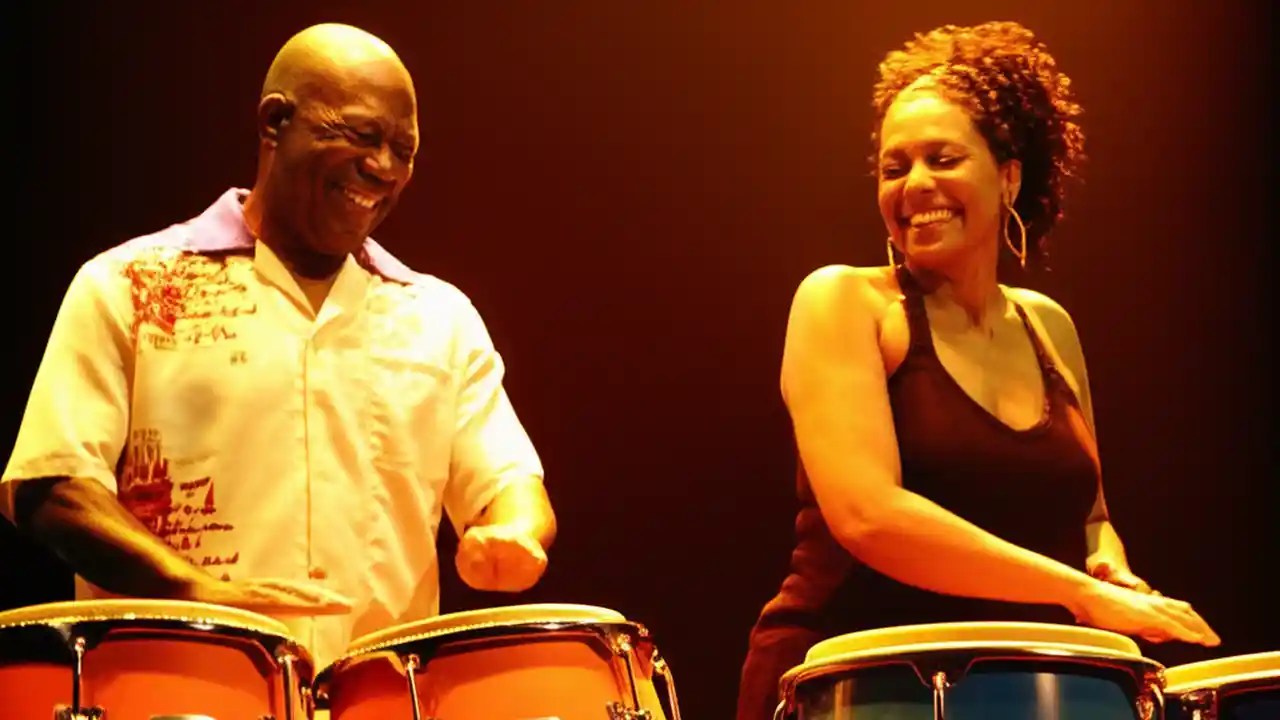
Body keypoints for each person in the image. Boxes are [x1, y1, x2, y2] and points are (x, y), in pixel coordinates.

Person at [0, 23, 556, 670]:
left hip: (373, 704)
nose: (383, 168)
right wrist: (200, 599)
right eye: (360, 135)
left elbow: (509, 483)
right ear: (274, 122)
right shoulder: (131, 286)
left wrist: (514, 534)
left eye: (403, 150)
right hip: (177, 691)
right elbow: (50, 485)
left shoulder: (438, 316)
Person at [736, 21, 1218, 719]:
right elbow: (870, 516)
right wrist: (1078, 593)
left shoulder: (1048, 327)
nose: (916, 184)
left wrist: (1109, 567)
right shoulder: (842, 301)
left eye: (943, 158)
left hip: (1023, 682)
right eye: (895, 167)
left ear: (1009, 175)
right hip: (861, 682)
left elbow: (1091, 517)